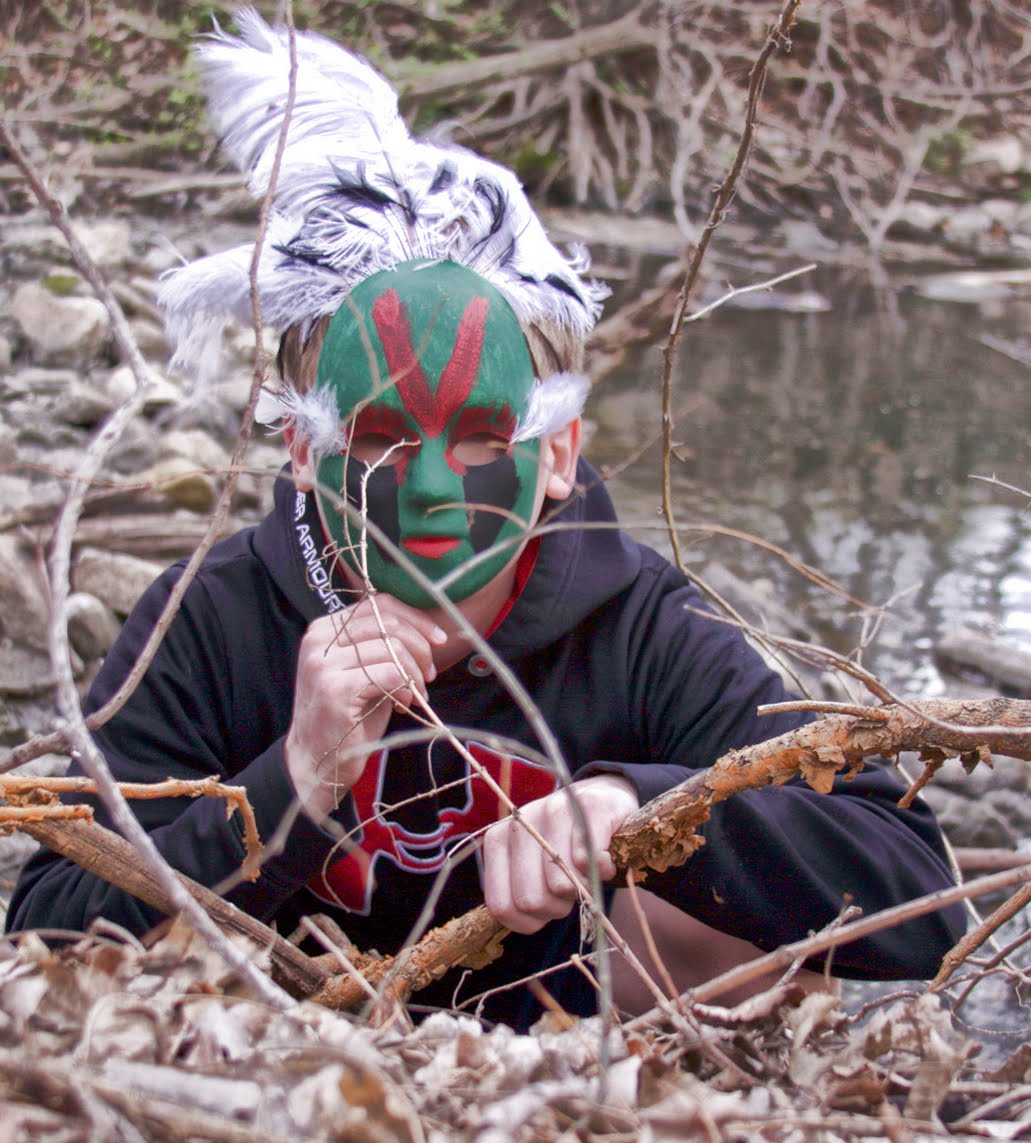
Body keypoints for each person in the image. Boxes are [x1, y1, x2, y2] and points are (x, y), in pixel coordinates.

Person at [5, 11, 963, 1027]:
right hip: (282, 1063)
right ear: (303, 452)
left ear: (556, 454)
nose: (430, 494)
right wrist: (290, 780)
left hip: (573, 1071)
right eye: (377, 439)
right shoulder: (216, 616)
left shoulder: (635, 624)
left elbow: (921, 894)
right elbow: (42, 931)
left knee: (727, 909)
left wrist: (640, 813)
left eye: (478, 440)